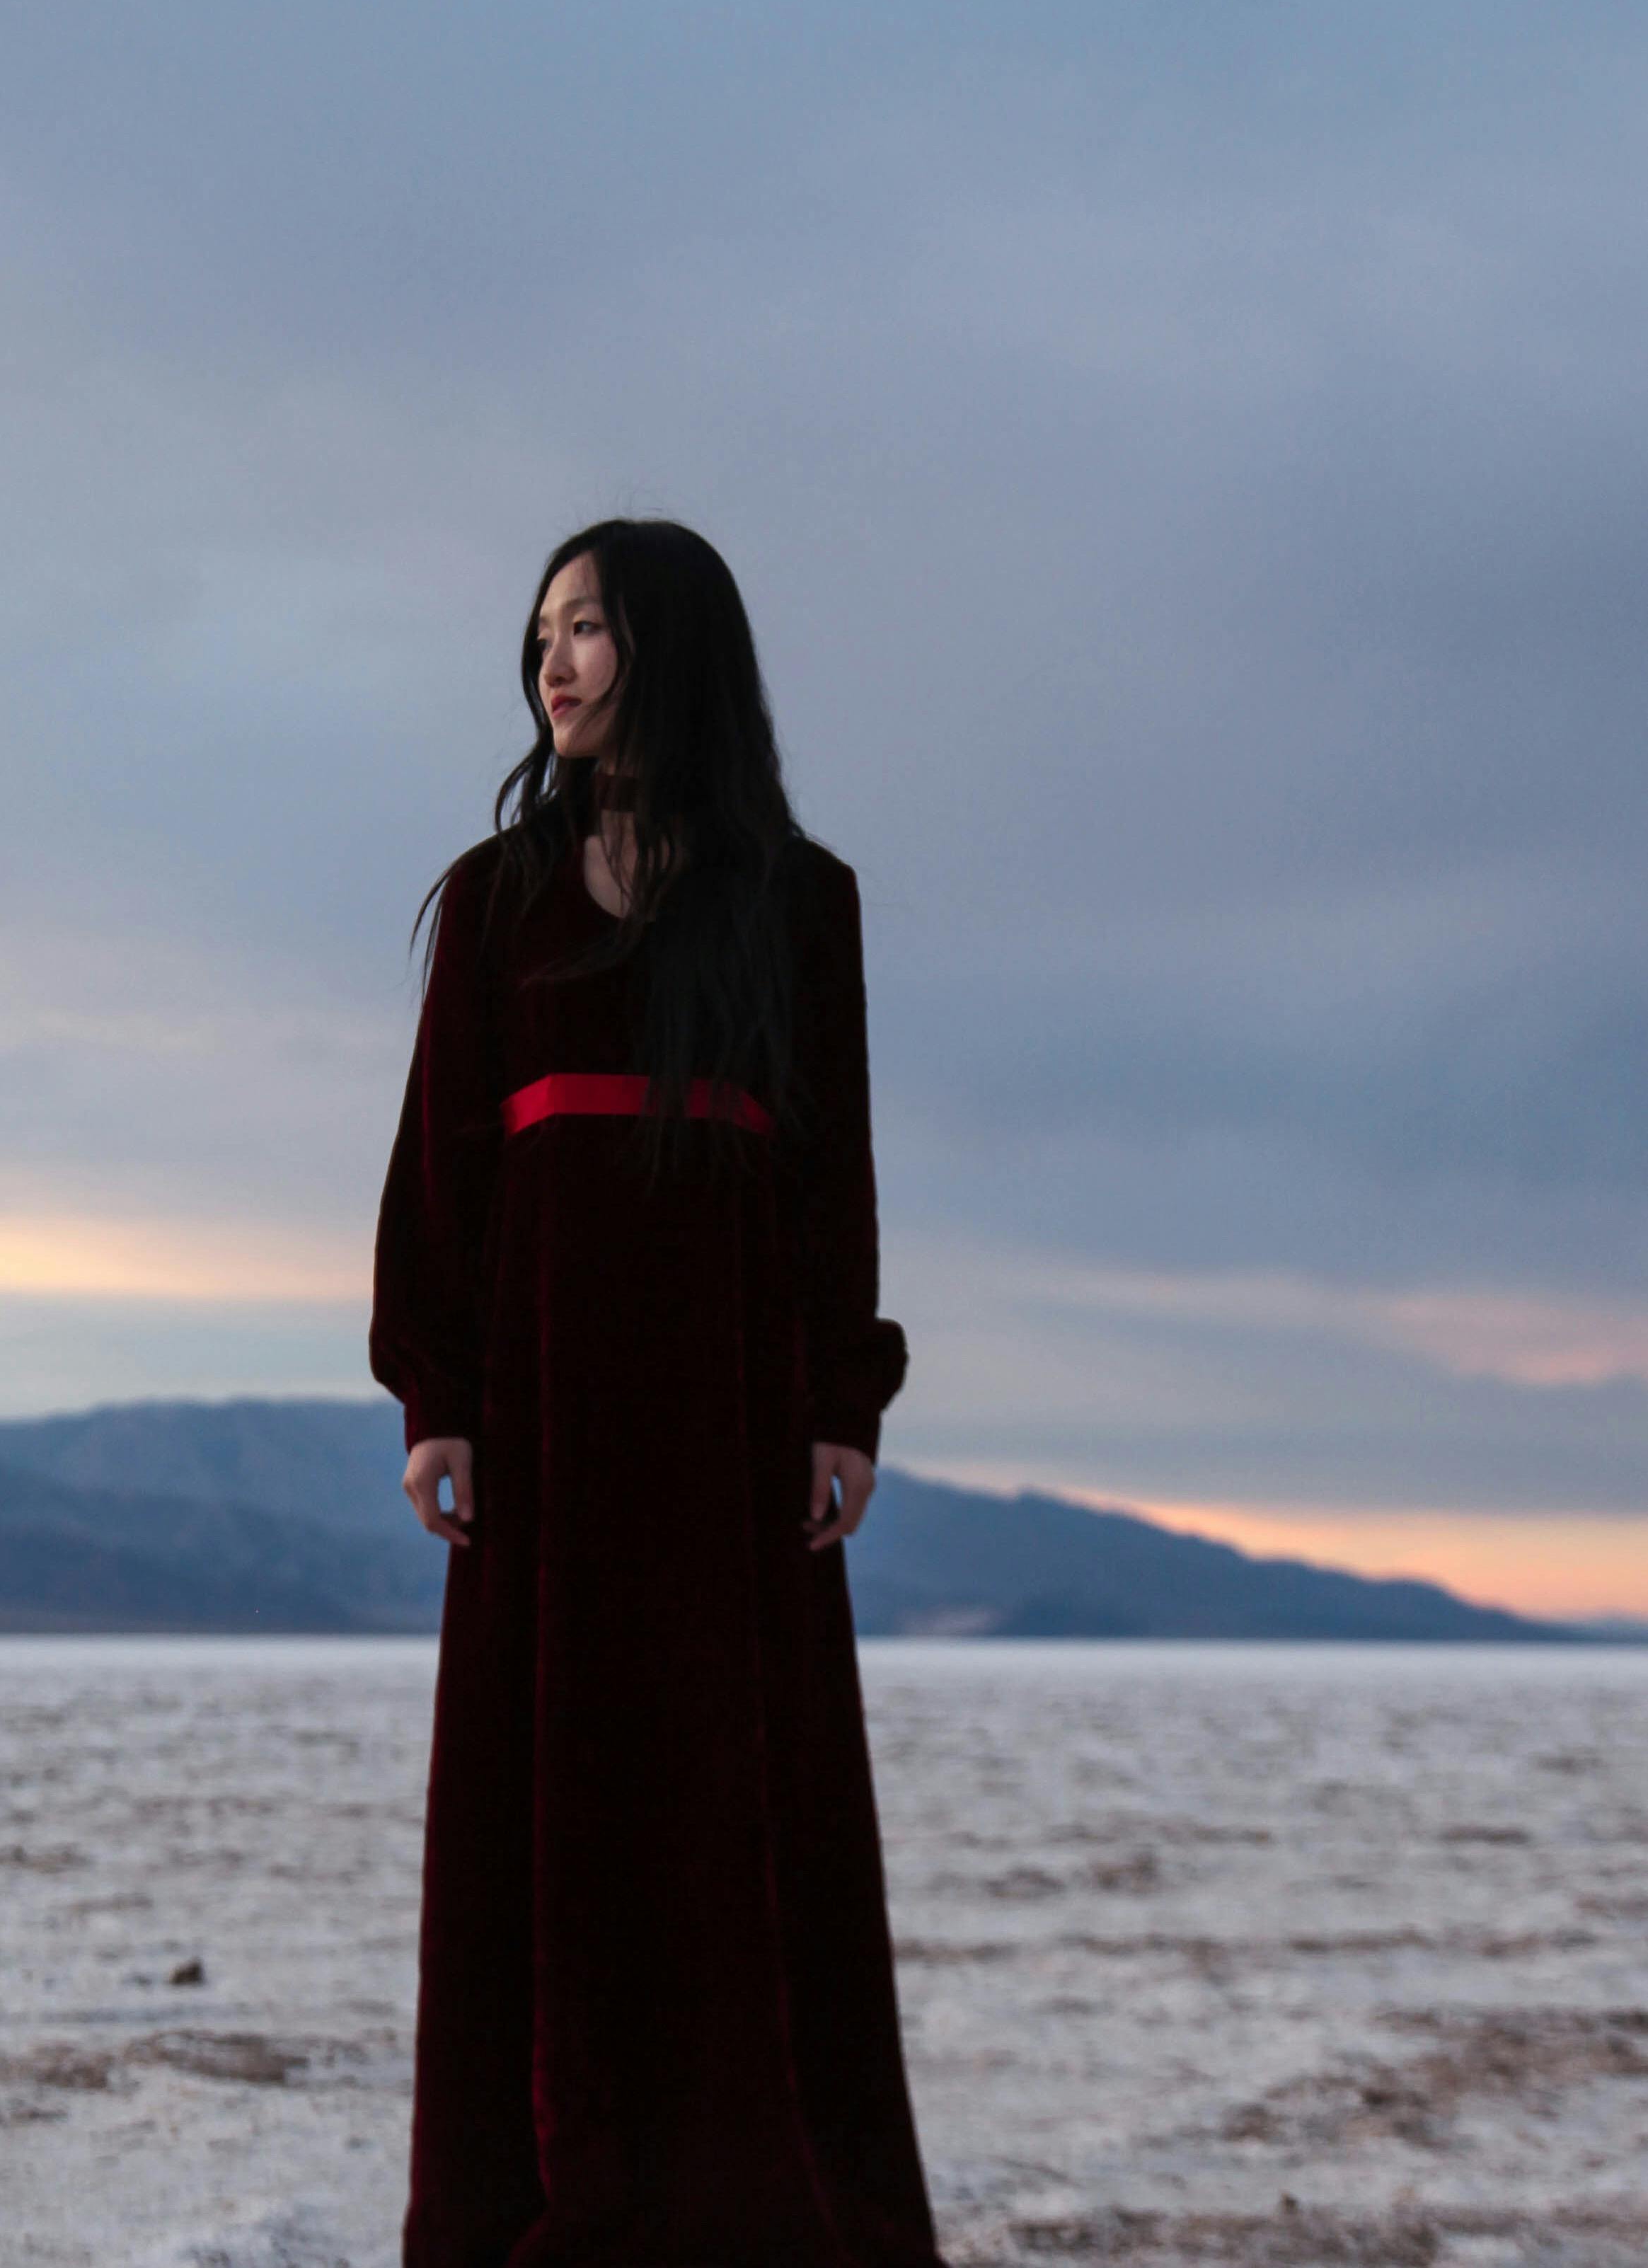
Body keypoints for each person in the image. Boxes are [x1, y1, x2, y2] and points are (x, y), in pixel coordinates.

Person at [369, 519, 943, 2267]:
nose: (553, 663)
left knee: (733, 1814)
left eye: (591, 630)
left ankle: (754, 2208)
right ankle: (539, 2202)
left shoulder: (798, 900)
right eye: (540, 632)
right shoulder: (493, 901)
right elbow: (439, 1168)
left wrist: (841, 1401)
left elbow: (832, 1171)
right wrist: (436, 1395)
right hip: (545, 1427)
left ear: (670, 651)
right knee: (542, 1817)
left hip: (729, 1427)